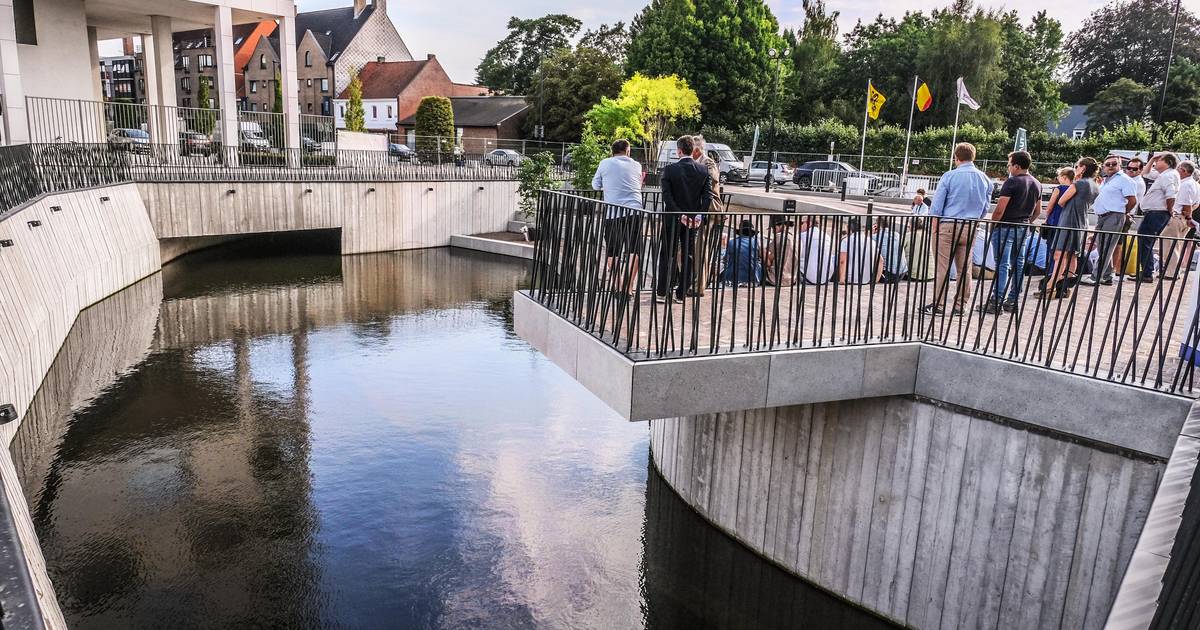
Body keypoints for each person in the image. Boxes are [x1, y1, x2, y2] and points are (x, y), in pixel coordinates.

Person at [924, 142, 992, 316]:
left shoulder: (949, 176)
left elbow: (936, 207)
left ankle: (938, 305)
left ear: (956, 157)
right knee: (965, 268)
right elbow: (985, 207)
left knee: (942, 267)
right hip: (970, 226)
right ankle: (960, 306)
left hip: (948, 225)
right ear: (973, 157)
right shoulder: (984, 179)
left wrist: (935, 228)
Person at [655, 135, 711, 302]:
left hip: (673, 217)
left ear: (679, 151)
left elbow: (667, 197)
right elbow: (708, 197)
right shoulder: (702, 171)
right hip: (693, 219)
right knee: (688, 255)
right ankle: (681, 293)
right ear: (693, 150)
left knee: (667, 254)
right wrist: (699, 214)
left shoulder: (670, 170)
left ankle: (663, 292)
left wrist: (680, 214)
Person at [984, 150, 1041, 313]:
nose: (1008, 167)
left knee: (1002, 264)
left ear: (1016, 166)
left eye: (1009, 164)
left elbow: (1000, 209)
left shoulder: (1012, 182)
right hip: (1022, 228)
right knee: (1019, 264)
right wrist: (1026, 222)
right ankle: (1013, 300)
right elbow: (1037, 210)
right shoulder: (1036, 183)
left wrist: (993, 224)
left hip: (1006, 227)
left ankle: (996, 301)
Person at [1038, 157, 1099, 299]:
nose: (1076, 168)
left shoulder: (1079, 183)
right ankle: (1065, 287)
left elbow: (1061, 201)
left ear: (1083, 168)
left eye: (1078, 166)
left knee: (1059, 255)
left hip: (1068, 221)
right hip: (1082, 222)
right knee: (1072, 255)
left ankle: (1051, 286)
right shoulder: (1095, 185)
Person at [591, 139, 644, 294]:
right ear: (628, 151)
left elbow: (595, 185)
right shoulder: (637, 165)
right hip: (635, 210)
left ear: (612, 151)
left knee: (613, 250)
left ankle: (618, 285)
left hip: (613, 212)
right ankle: (629, 286)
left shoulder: (605, 163)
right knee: (635, 249)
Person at [1079, 156, 1138, 286]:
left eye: (1114, 164)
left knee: (1106, 247)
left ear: (1120, 165)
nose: (1110, 166)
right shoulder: (1106, 180)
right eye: (1108, 164)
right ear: (1104, 166)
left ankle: (1096, 277)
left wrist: (1121, 212)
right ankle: (1106, 275)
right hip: (1102, 216)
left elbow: (1132, 200)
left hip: (1114, 215)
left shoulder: (1124, 180)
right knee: (1102, 247)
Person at [1135, 152, 1181, 281]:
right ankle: (1146, 271)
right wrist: (1152, 159)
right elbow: (1145, 173)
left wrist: (1170, 209)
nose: (1156, 162)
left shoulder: (1169, 175)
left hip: (1157, 212)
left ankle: (1146, 272)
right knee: (1145, 240)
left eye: (1159, 160)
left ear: (1167, 162)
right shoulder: (1164, 175)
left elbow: (1171, 195)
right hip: (1155, 212)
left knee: (1145, 240)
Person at [690, 135, 723, 296]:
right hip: (696, 208)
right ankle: (692, 281)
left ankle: (699, 286)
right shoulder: (696, 162)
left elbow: (710, 182)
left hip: (707, 208)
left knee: (700, 247)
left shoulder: (708, 162)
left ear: (697, 150)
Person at [838, 217, 882, 284]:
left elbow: (842, 261)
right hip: (867, 279)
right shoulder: (872, 241)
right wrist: (876, 279)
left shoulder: (846, 241)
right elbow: (880, 260)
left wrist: (842, 279)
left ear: (849, 229)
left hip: (851, 278)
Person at [797, 215, 835, 284]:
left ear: (809, 223)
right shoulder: (826, 236)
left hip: (807, 277)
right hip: (826, 278)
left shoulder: (801, 236)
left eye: (801, 223)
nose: (799, 226)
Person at [722, 219, 763, 285]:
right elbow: (762, 257)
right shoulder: (755, 243)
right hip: (753, 280)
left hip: (733, 279)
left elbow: (725, 259)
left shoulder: (731, 242)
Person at [764, 214, 798, 286]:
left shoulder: (779, 237)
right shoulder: (796, 238)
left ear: (781, 226)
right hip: (792, 279)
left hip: (776, 279)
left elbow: (768, 256)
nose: (773, 231)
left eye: (774, 228)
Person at [873, 217, 908, 282]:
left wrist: (873, 233)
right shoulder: (897, 235)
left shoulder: (874, 237)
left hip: (889, 275)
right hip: (902, 273)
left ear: (877, 225)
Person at [904, 216, 936, 281]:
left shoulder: (908, 235)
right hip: (931, 274)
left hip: (913, 275)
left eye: (909, 225)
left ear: (912, 225)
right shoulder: (929, 236)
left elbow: (899, 250)